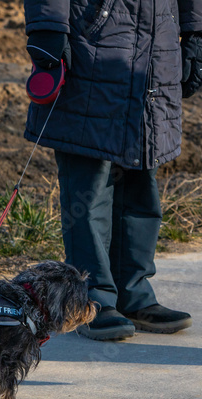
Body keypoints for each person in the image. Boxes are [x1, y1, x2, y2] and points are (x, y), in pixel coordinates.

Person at [23, 0, 199, 340]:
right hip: (93, 41)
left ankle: (133, 293)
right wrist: (47, 27)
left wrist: (197, 29)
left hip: (156, 45)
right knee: (89, 186)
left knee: (140, 179)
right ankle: (91, 301)